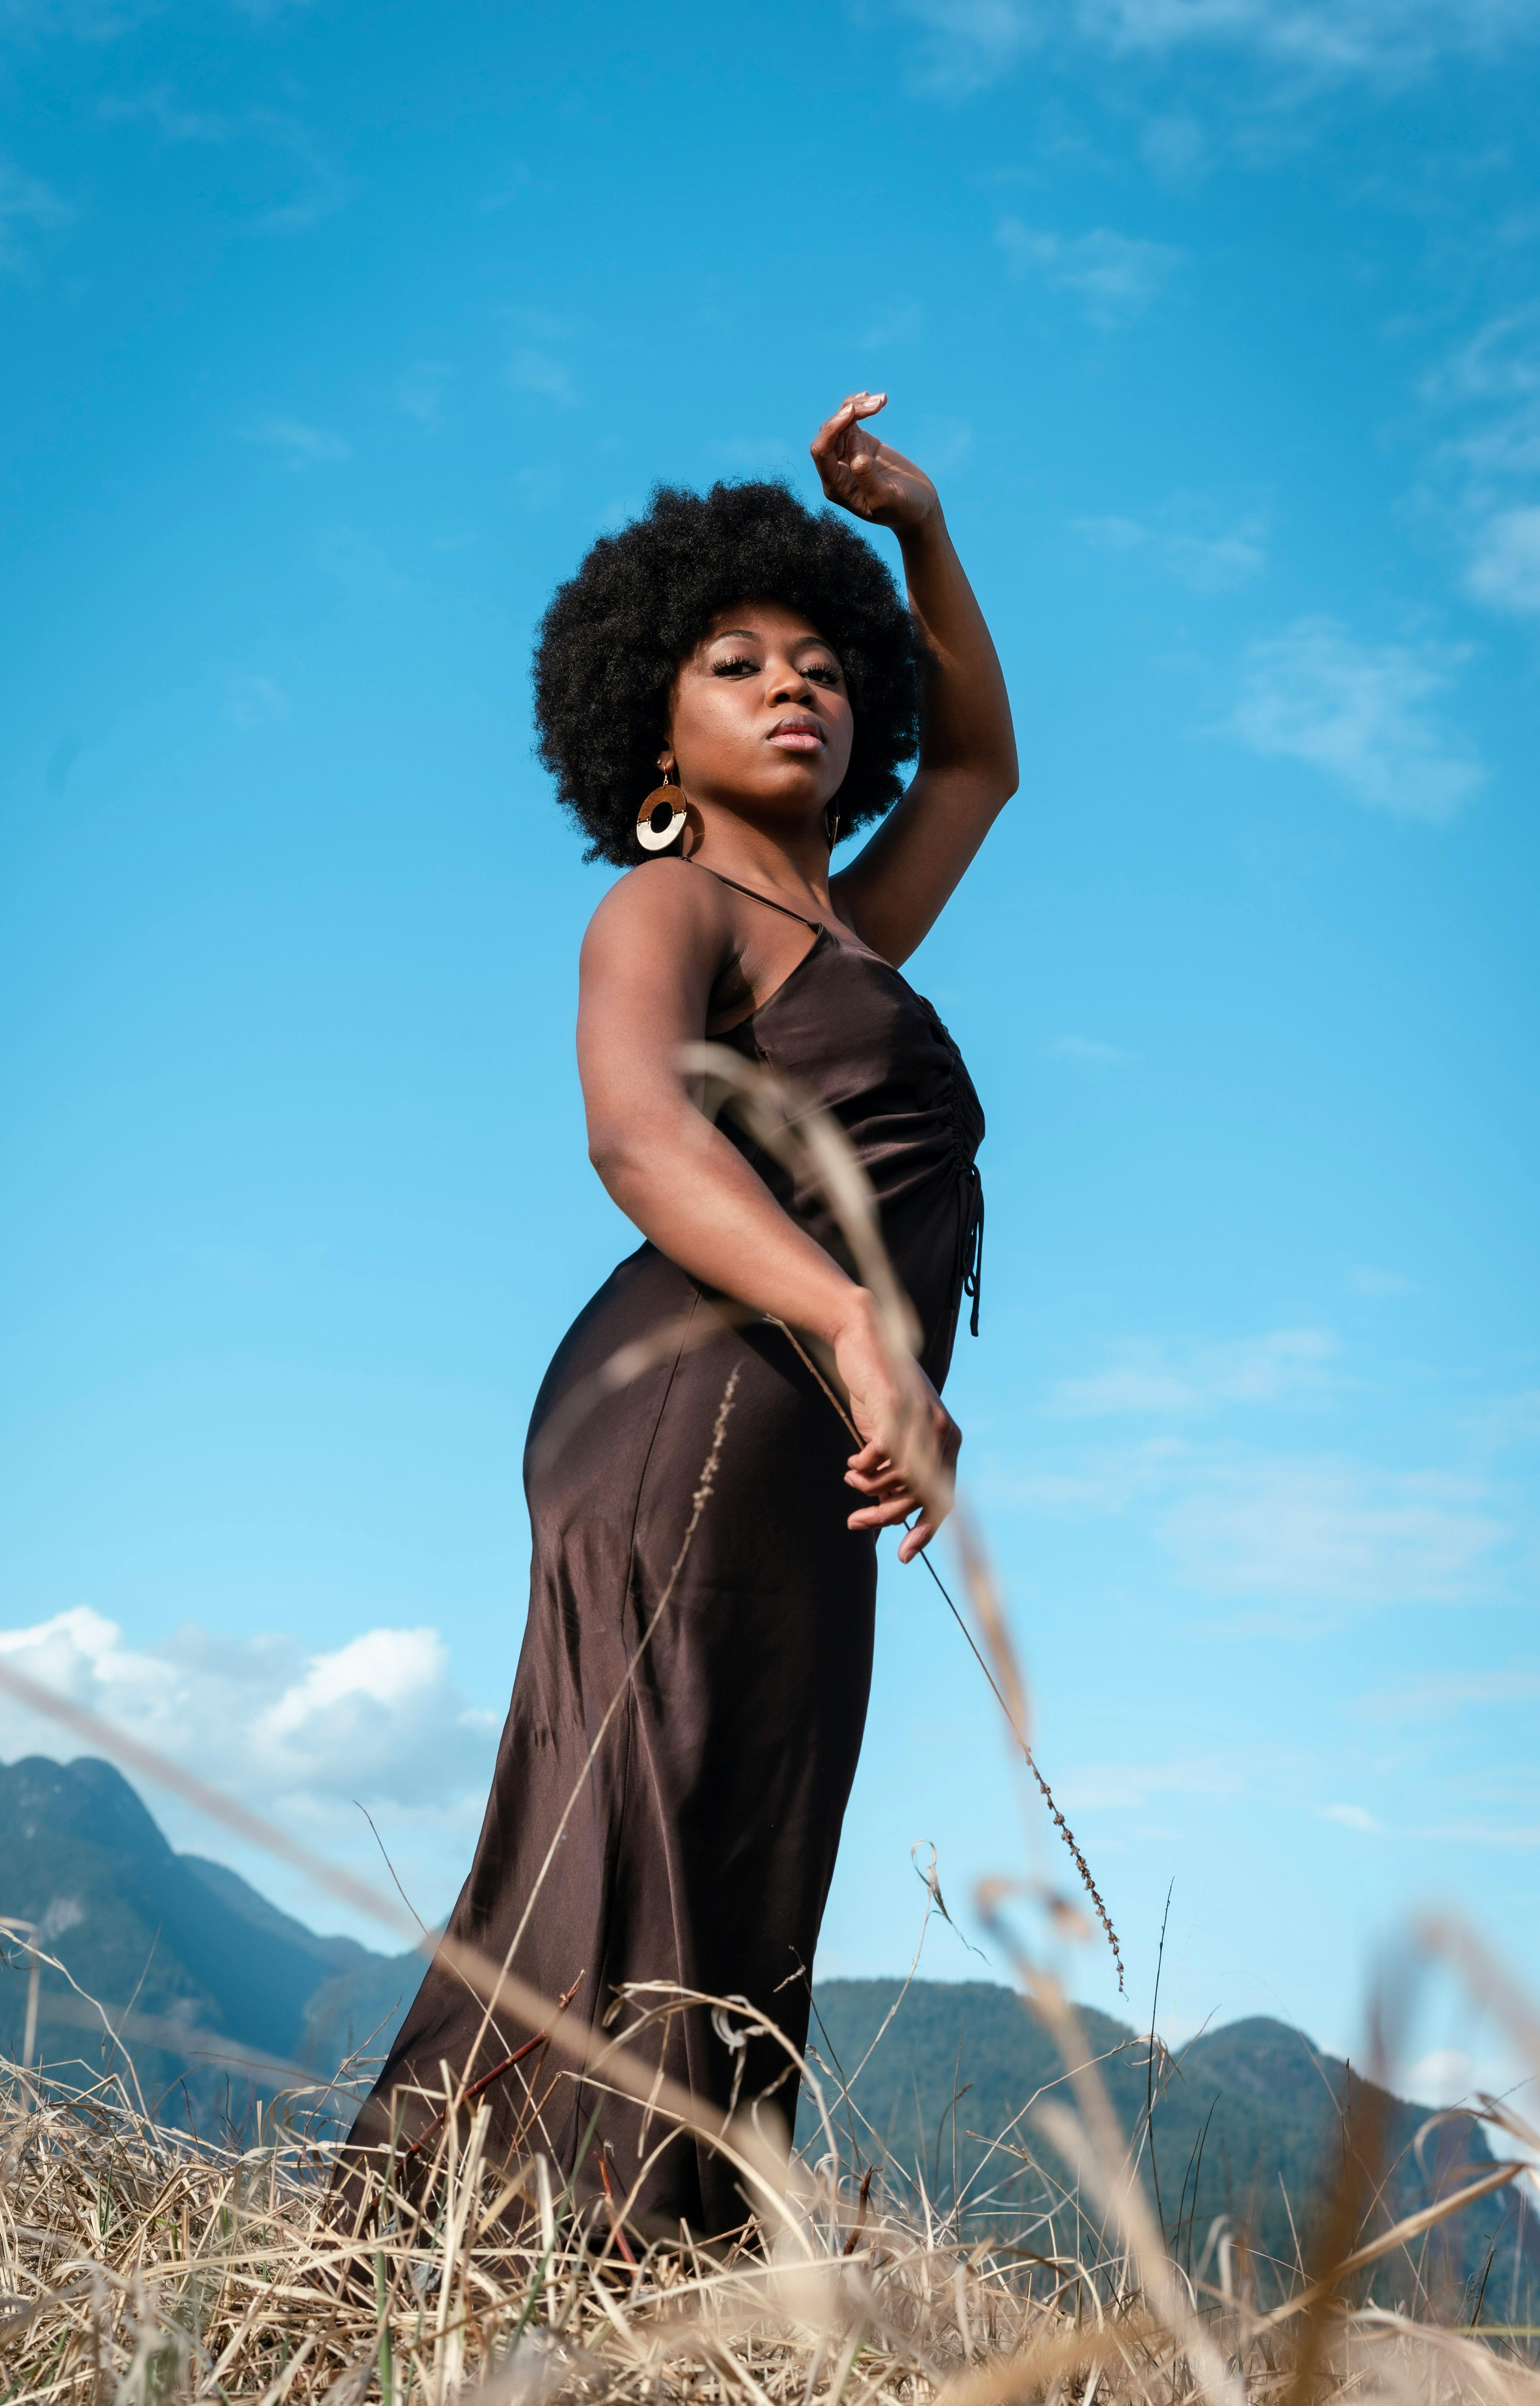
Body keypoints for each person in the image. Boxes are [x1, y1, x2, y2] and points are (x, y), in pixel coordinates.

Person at [338, 392, 1018, 2244]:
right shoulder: (668, 900)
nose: (793, 687)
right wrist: (858, 1326)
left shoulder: (859, 925)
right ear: (655, 727)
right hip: (700, 1391)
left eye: (821, 665)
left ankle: (662, 2265)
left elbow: (977, 773)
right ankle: (507, 2259)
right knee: (646, 1808)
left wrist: (921, 531)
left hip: (802, 1417)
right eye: (736, 664)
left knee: (750, 1823)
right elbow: (635, 1136)